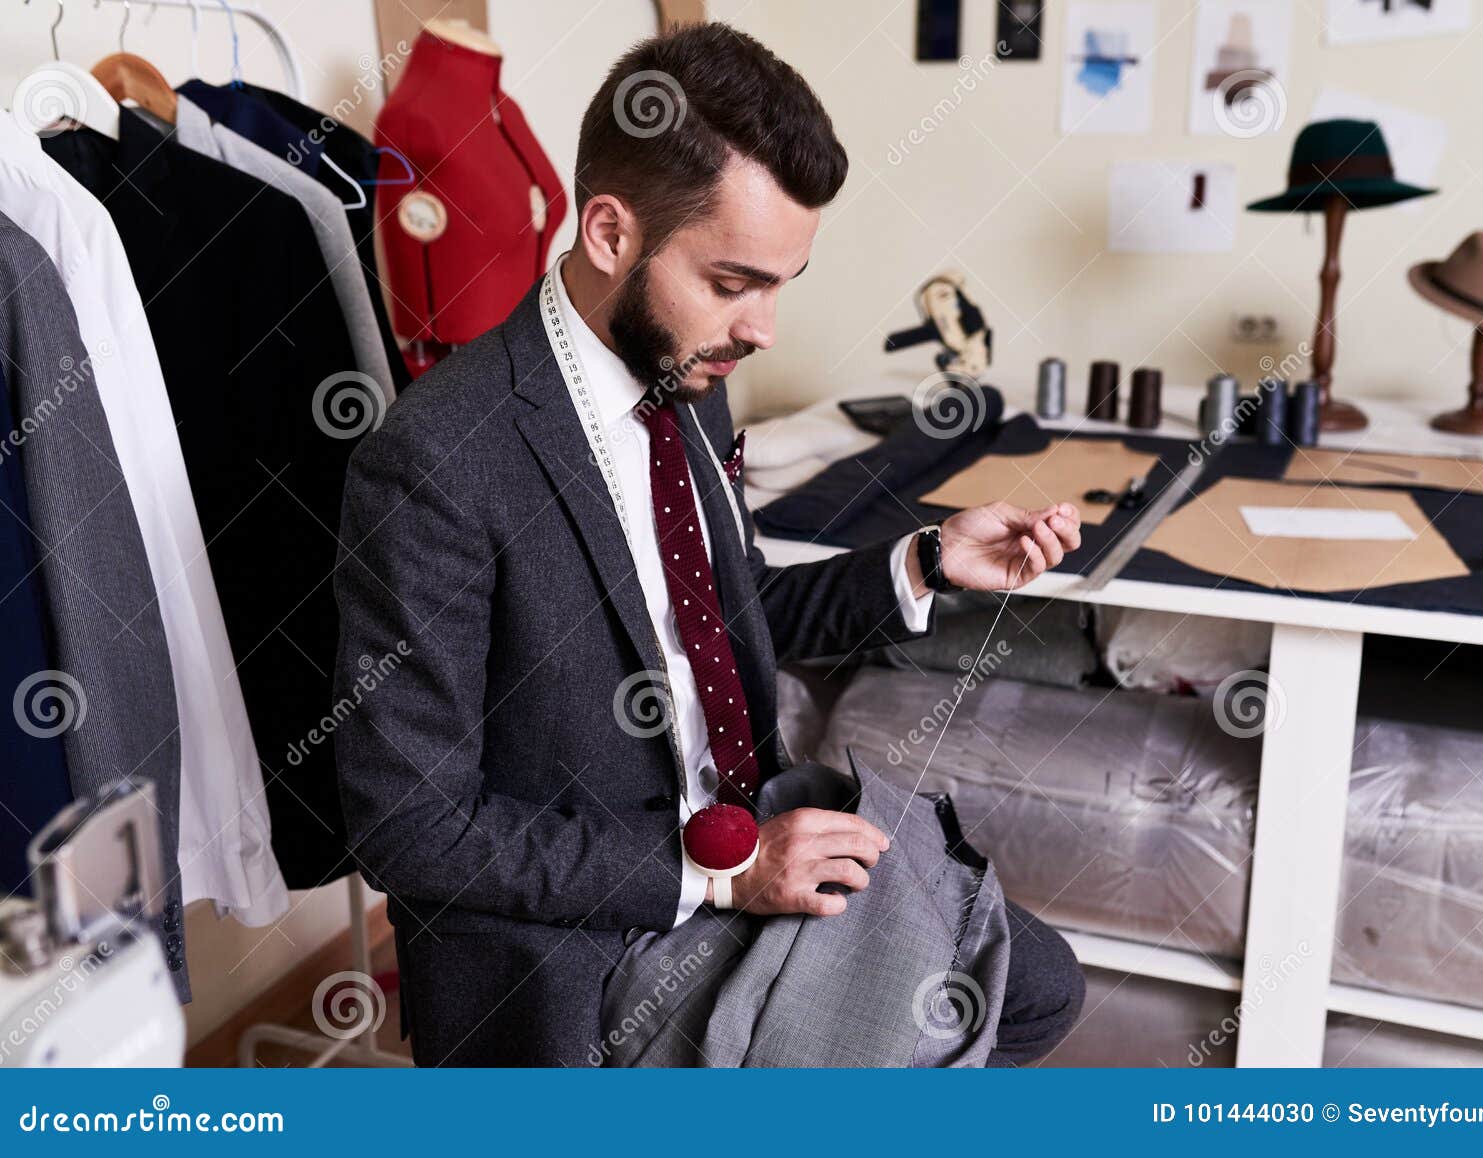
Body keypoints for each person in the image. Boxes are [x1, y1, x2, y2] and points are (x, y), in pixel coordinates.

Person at [334, 21, 1085, 1067]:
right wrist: (715, 875)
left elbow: (723, 621)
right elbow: (409, 828)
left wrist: (922, 562)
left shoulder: (690, 383)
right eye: (734, 284)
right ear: (609, 234)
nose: (763, 328)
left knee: (1035, 985)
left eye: (784, 283)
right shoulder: (438, 460)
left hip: (745, 842)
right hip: (590, 931)